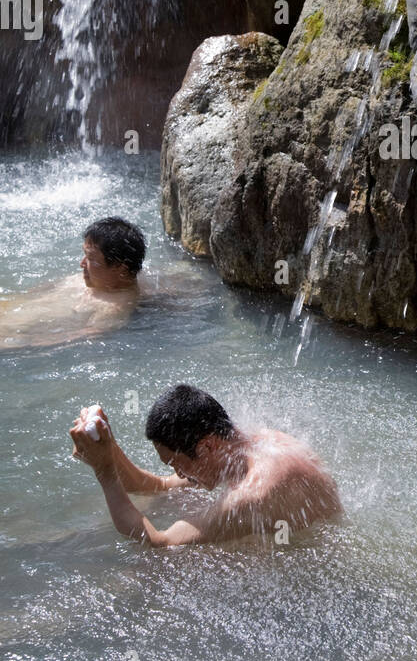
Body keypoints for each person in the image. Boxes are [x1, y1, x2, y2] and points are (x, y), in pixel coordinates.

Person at [69, 384, 342, 548]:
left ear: (206, 447)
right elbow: (157, 486)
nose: (178, 474)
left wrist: (104, 471)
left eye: (178, 464)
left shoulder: (255, 493)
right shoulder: (240, 446)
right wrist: (109, 449)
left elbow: (161, 543)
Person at [0, 217, 145, 350]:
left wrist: (27, 343)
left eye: (91, 259)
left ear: (120, 267)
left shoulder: (113, 307)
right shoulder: (82, 279)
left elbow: (83, 337)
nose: (82, 264)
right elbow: (27, 296)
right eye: (85, 255)